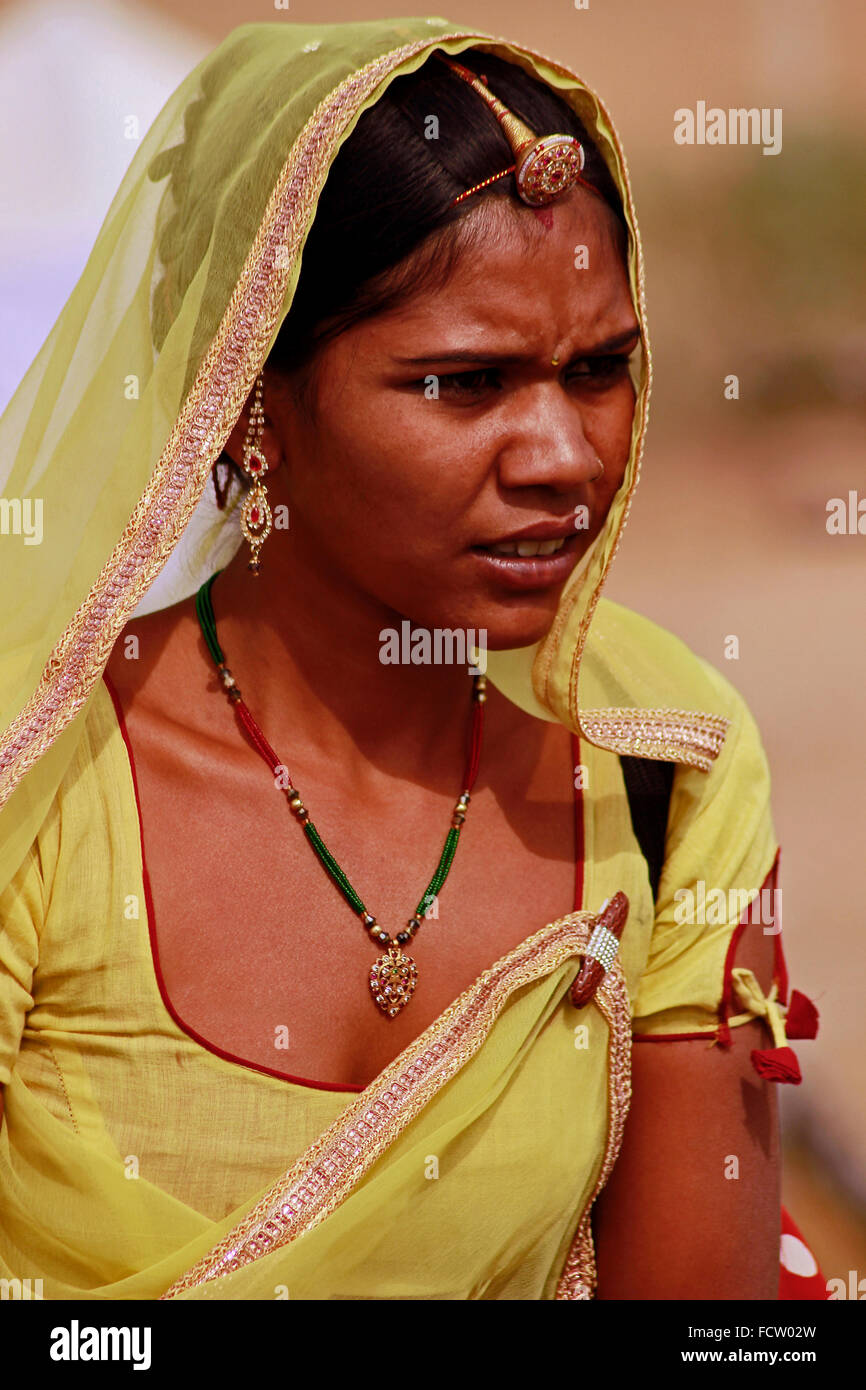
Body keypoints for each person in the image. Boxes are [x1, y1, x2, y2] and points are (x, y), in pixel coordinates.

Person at [0, 17, 822, 1300]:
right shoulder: (36, 773)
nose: (562, 455)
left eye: (598, 369)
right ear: (251, 395)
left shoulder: (662, 762)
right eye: (465, 383)